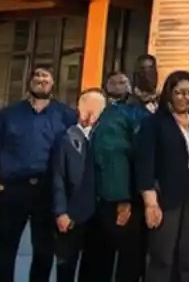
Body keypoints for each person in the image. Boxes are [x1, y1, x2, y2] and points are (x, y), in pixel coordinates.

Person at [0, 65, 78, 282]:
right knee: (5, 248)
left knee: (44, 249)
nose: (41, 79)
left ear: (53, 84)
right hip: (12, 189)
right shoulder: (9, 114)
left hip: (47, 189)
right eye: (37, 75)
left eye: (46, 76)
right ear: (30, 82)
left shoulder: (66, 115)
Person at [136, 71, 189, 282]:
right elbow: (144, 165)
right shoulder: (154, 124)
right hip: (166, 200)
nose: (184, 97)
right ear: (169, 94)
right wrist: (150, 203)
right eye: (178, 93)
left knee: (185, 259)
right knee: (162, 258)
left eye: (188, 93)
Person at [89, 71, 144, 282]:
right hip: (112, 197)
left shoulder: (133, 111)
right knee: (114, 257)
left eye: (124, 81)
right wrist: (122, 199)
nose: (120, 85)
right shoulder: (109, 114)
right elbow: (114, 156)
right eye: (114, 81)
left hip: (123, 193)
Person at [50, 88, 105, 282]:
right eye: (90, 106)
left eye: (99, 107)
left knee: (94, 267)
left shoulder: (104, 138)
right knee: (66, 265)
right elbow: (57, 178)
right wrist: (61, 212)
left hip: (98, 214)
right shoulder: (66, 138)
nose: (93, 111)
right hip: (72, 214)